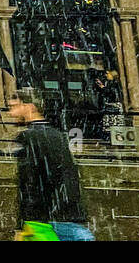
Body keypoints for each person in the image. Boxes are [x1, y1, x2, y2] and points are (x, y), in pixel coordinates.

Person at [8, 87, 92, 241]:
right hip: (73, 217)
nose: (11, 113)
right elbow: (69, 175)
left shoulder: (28, 137)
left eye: (14, 107)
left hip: (46, 221)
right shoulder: (57, 135)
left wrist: (23, 224)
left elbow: (29, 183)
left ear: (29, 107)